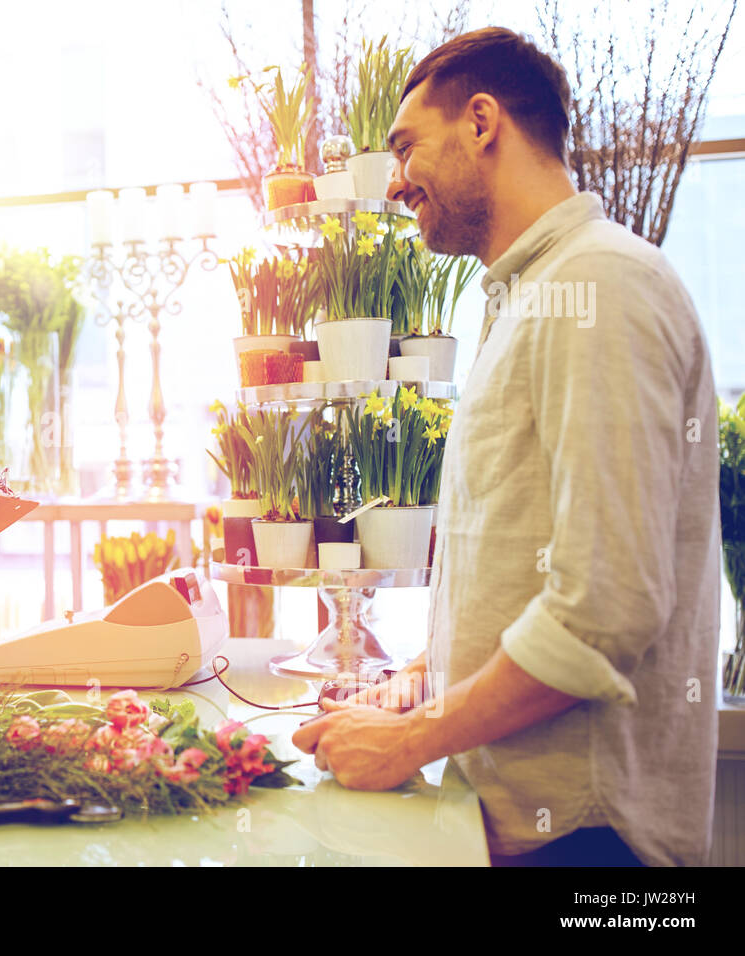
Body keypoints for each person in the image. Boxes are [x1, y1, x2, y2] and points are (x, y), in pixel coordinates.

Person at [292, 27, 721, 866]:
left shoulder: (597, 285)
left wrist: (413, 736)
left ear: (482, 121)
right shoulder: (530, 295)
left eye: (408, 147)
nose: (399, 181)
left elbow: (604, 611)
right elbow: (525, 563)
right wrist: (424, 675)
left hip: (592, 845)